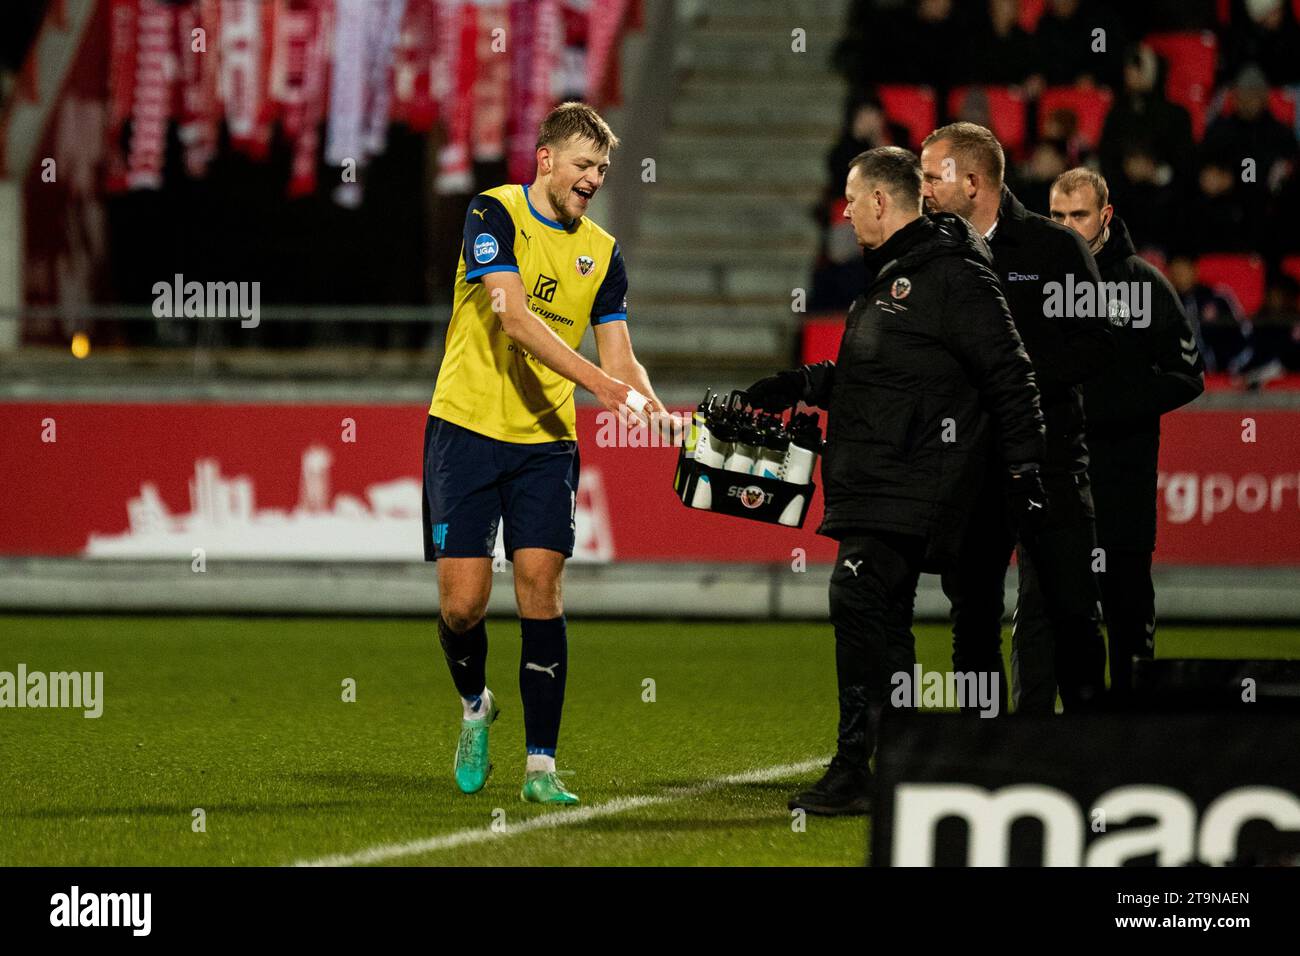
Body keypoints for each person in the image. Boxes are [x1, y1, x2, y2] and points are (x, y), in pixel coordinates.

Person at [745, 146, 1046, 815]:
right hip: (878, 478)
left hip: (913, 481)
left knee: (857, 599)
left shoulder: (952, 277)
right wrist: (798, 385)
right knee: (887, 621)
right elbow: (879, 376)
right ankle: (897, 760)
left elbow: (1011, 374)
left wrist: (1026, 468)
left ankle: (857, 766)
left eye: (852, 198)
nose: (845, 212)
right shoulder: (894, 277)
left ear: (881, 201)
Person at [424, 102, 663, 804]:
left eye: (603, 169)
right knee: (463, 607)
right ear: (547, 159)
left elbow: (620, 356)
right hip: (464, 429)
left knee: (540, 586)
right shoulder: (492, 213)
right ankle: (475, 706)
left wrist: (653, 406)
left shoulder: (603, 252)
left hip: (545, 445)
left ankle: (540, 766)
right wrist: (598, 385)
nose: (593, 178)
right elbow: (513, 316)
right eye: (584, 165)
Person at [918, 122, 1113, 714]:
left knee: (1072, 606)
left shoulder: (1053, 248)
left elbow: (1095, 343)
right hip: (971, 466)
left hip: (1049, 461)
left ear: (973, 182)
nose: (922, 188)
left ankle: (1087, 746)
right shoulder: (929, 252)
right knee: (973, 613)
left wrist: (1012, 383)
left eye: (932, 176)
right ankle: (986, 748)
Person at [1011, 168, 1204, 708]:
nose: (1068, 226)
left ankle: (1130, 728)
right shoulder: (1034, 280)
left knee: (1126, 606)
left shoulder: (1143, 284)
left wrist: (1103, 412)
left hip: (1121, 479)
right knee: (1043, 607)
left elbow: (1188, 373)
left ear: (1105, 216)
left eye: (1079, 215)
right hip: (1052, 477)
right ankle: (1032, 731)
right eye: (1058, 215)